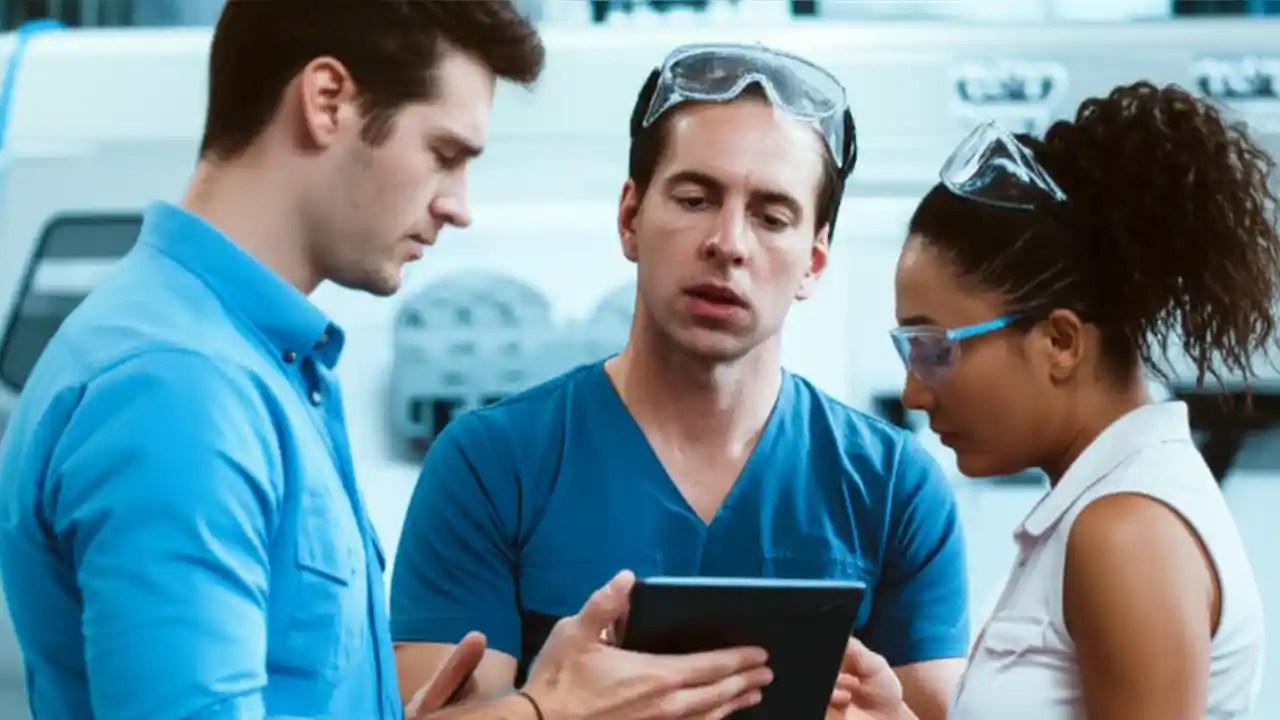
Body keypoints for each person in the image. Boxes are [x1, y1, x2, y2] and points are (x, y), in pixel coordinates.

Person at [0, 2, 777, 719]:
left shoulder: (255, 366)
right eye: (443, 153)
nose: (458, 203)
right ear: (328, 100)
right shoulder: (177, 387)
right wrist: (548, 712)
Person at [389, 42, 972, 720]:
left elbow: (930, 710)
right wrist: (555, 707)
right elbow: (436, 709)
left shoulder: (893, 487)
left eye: (772, 217)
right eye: (695, 199)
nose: (728, 242)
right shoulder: (492, 466)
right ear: (630, 218)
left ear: (814, 261)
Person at [841, 80, 1275, 719]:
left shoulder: (1125, 533)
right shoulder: (1094, 513)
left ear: (1060, 342)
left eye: (935, 348)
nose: (914, 391)